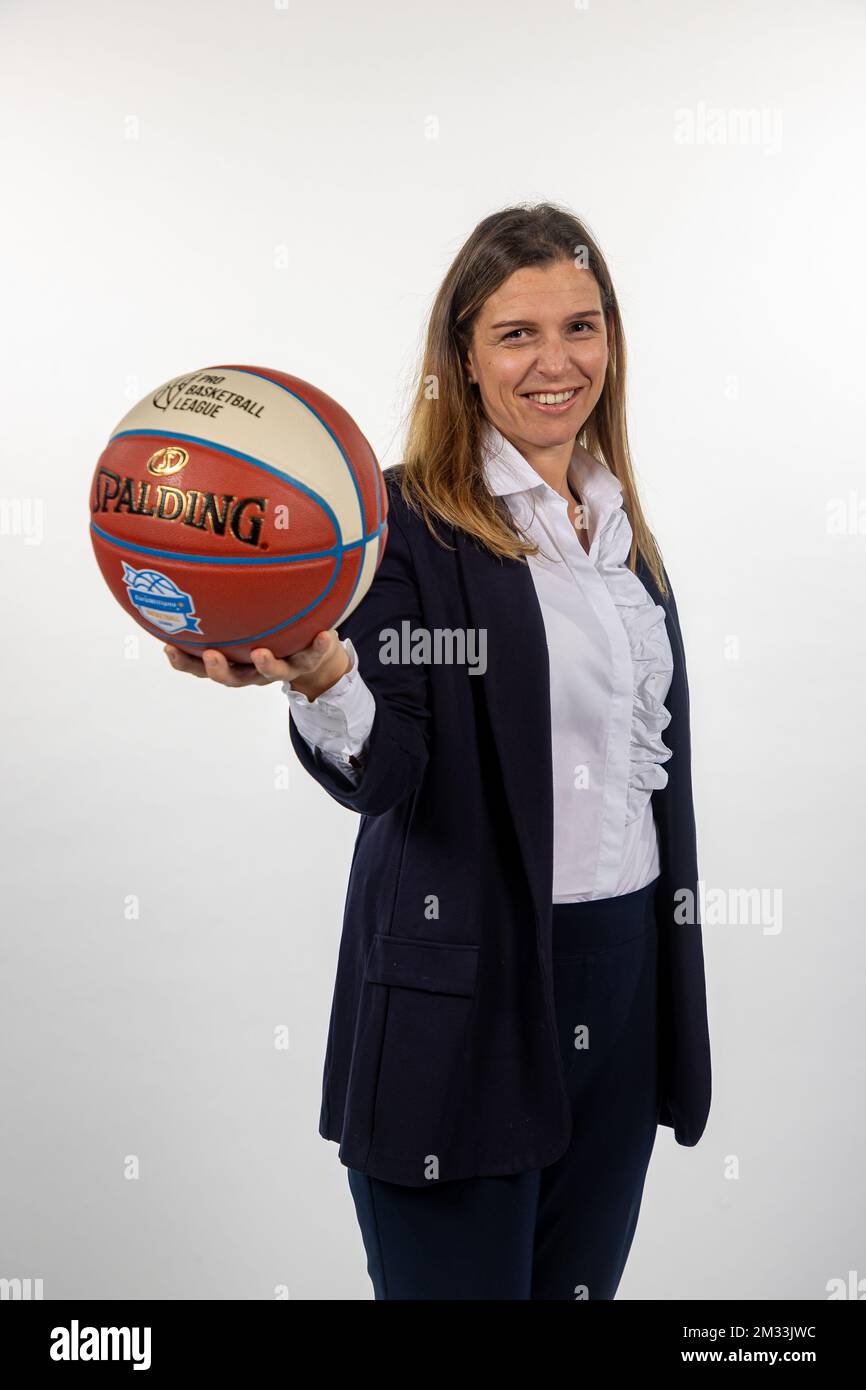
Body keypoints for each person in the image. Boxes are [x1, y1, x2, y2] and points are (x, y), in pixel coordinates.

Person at [165, 201, 711, 1301]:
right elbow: (391, 769)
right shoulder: (398, 521)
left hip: (624, 981)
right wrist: (321, 676)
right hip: (463, 1000)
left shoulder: (616, 526)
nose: (556, 362)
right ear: (460, 357)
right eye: (516, 334)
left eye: (581, 326)